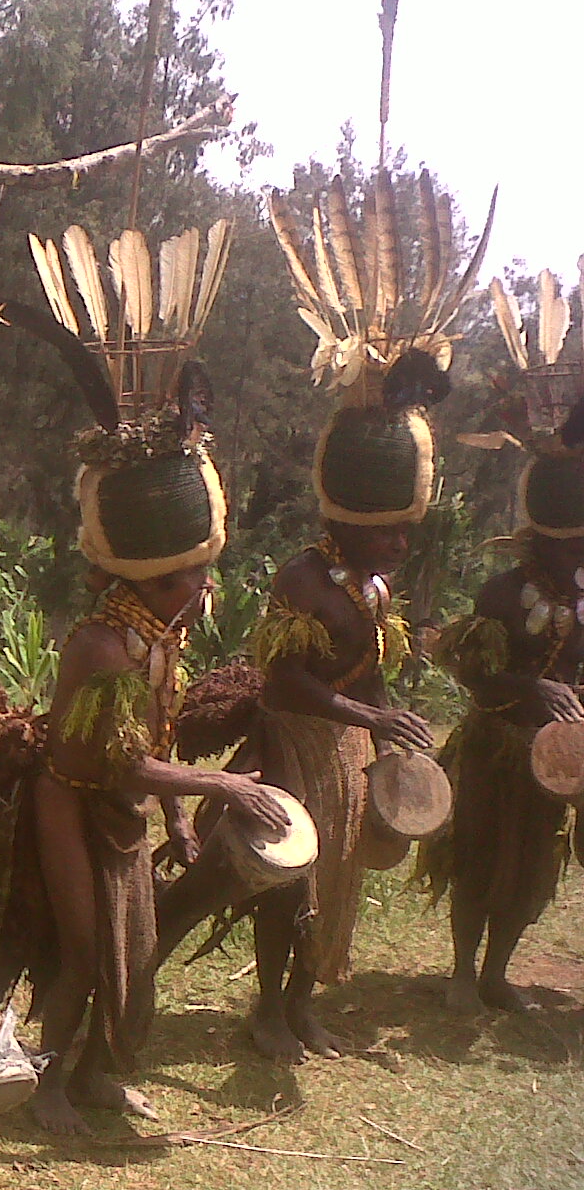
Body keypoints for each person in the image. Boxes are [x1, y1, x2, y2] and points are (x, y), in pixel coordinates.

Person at [0, 220, 286, 1134]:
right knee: (86, 953)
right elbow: (115, 763)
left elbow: (157, 737)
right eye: (189, 575)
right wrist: (216, 783)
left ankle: (100, 1075)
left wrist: (183, 819)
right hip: (72, 805)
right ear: (145, 572)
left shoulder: (163, 631)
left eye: (201, 569)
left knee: (135, 954)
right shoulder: (102, 644)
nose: (205, 587)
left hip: (124, 810)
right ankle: (51, 1090)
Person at [243, 171, 484, 1060]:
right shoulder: (303, 580)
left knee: (338, 877)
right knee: (291, 874)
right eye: (381, 534)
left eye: (400, 533)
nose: (394, 547)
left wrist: (388, 736)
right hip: (296, 747)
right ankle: (267, 1006)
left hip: (346, 750)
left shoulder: (374, 585)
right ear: (345, 515)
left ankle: (303, 1001)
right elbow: (286, 680)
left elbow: (371, 671)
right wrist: (363, 717)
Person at [418, 267, 584, 1013]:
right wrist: (532, 688)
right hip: (493, 748)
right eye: (564, 547)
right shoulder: (501, 592)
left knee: (530, 872)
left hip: (557, 759)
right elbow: (469, 674)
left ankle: (496, 974)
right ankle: (460, 970)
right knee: (480, 860)